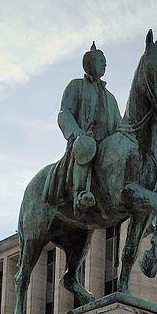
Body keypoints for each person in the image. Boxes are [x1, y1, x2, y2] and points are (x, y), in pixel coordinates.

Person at [50, 42, 123, 213]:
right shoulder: (76, 86)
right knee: (87, 145)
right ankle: (80, 194)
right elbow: (64, 113)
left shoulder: (110, 98)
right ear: (89, 63)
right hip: (84, 140)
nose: (105, 64)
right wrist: (77, 132)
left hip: (106, 146)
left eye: (106, 62)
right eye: (101, 61)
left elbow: (119, 125)